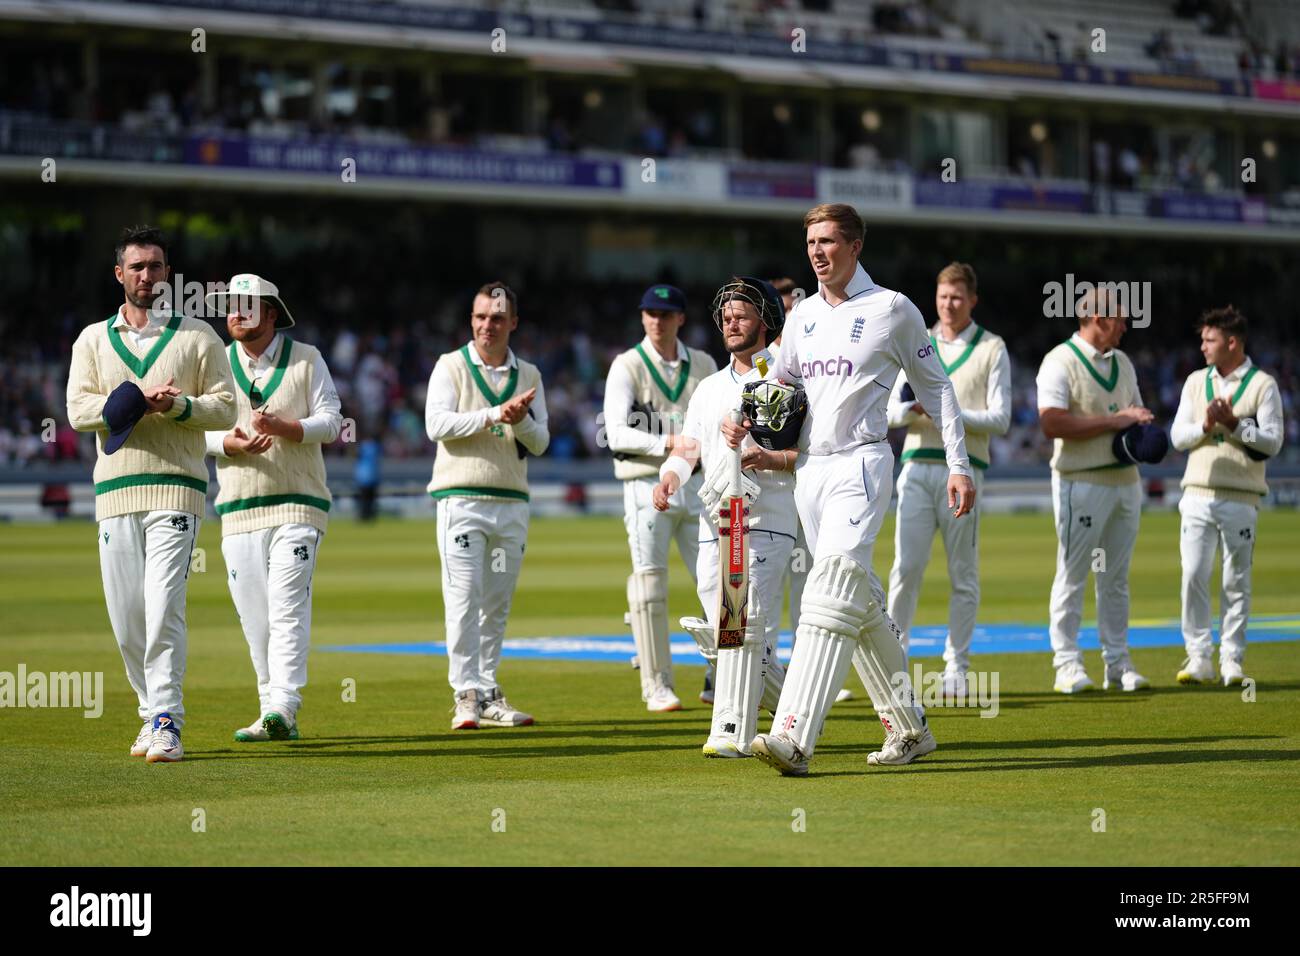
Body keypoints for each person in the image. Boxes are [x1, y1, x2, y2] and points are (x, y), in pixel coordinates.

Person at [748, 203, 975, 776]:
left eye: (827, 242)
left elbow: (939, 389)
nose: (817, 253)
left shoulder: (892, 308)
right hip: (810, 474)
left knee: (826, 593)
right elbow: (781, 389)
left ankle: (793, 736)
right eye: (810, 244)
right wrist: (750, 420)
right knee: (859, 599)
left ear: (854, 246)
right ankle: (909, 728)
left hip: (863, 465)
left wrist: (959, 465)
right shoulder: (799, 317)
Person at [64, 225, 236, 763]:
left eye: (156, 266)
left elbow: (226, 407)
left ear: (167, 272)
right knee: (126, 616)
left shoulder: (197, 335)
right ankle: (148, 712)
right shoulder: (92, 339)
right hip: (116, 491)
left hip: (177, 488)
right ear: (119, 274)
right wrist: (134, 400)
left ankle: (166, 719)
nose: (146, 276)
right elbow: (77, 412)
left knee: (163, 605)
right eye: (136, 267)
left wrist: (178, 406)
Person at [651, 277, 794, 756]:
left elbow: (803, 449)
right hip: (715, 523)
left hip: (767, 518)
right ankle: (793, 708)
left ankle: (728, 731)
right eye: (727, 314)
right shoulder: (709, 386)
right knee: (724, 630)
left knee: (744, 625)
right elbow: (688, 445)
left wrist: (767, 455)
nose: (731, 321)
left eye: (743, 313)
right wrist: (671, 476)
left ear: (766, 320)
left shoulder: (786, 376)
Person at [204, 274, 343, 742]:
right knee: (254, 617)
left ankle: (283, 703)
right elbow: (189, 428)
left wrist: (288, 428)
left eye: (247, 305)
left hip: (299, 503)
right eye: (231, 305)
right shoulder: (215, 362)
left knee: (287, 606)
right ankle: (272, 711)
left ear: (270, 314)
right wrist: (227, 442)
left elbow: (333, 420)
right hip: (239, 506)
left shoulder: (307, 359)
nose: (235, 312)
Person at [874, 262, 1010, 696]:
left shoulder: (992, 347)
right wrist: (913, 412)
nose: (948, 305)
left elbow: (1002, 418)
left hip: (966, 470)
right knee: (906, 568)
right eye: (942, 297)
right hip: (915, 466)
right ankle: (895, 660)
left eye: (956, 297)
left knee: (962, 573)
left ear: (972, 300)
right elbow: (889, 411)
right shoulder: (919, 340)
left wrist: (947, 414)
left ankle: (957, 666)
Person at [425, 282, 549, 730]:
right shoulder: (450, 366)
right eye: (480, 317)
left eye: (497, 318)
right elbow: (436, 424)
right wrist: (497, 414)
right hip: (461, 498)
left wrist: (522, 421)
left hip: (511, 500)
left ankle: (489, 690)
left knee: (495, 603)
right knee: (462, 598)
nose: (486, 325)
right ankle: (466, 693)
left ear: (512, 322)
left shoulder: (529, 374)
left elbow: (542, 441)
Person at [603, 284, 717, 711]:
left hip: (699, 484)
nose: (657, 321)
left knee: (718, 581)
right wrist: (672, 442)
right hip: (645, 484)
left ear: (680, 319)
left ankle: (719, 675)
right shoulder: (627, 365)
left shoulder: (703, 363)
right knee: (649, 583)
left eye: (666, 314)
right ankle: (656, 684)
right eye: (650, 313)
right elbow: (615, 432)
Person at [1036, 289, 1153, 694]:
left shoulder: (1122, 362)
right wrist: (1115, 421)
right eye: (1120, 318)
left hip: (1124, 483)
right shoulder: (1060, 360)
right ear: (1098, 317)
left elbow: (1133, 417)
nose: (1125, 325)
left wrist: (1141, 430)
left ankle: (1117, 663)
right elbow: (1052, 423)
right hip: (1080, 483)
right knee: (1074, 574)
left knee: (1114, 577)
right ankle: (1066, 664)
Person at [1170, 306, 1284, 687]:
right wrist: (1205, 424)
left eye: (1210, 339)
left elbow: (1271, 443)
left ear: (1232, 342)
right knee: (1193, 574)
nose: (1202, 346)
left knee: (1236, 580)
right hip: (1198, 494)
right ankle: (1199, 656)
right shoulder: (1194, 382)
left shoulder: (1262, 384)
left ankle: (1232, 659)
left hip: (1241, 496)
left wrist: (1234, 425)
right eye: (1202, 338)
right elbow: (1178, 437)